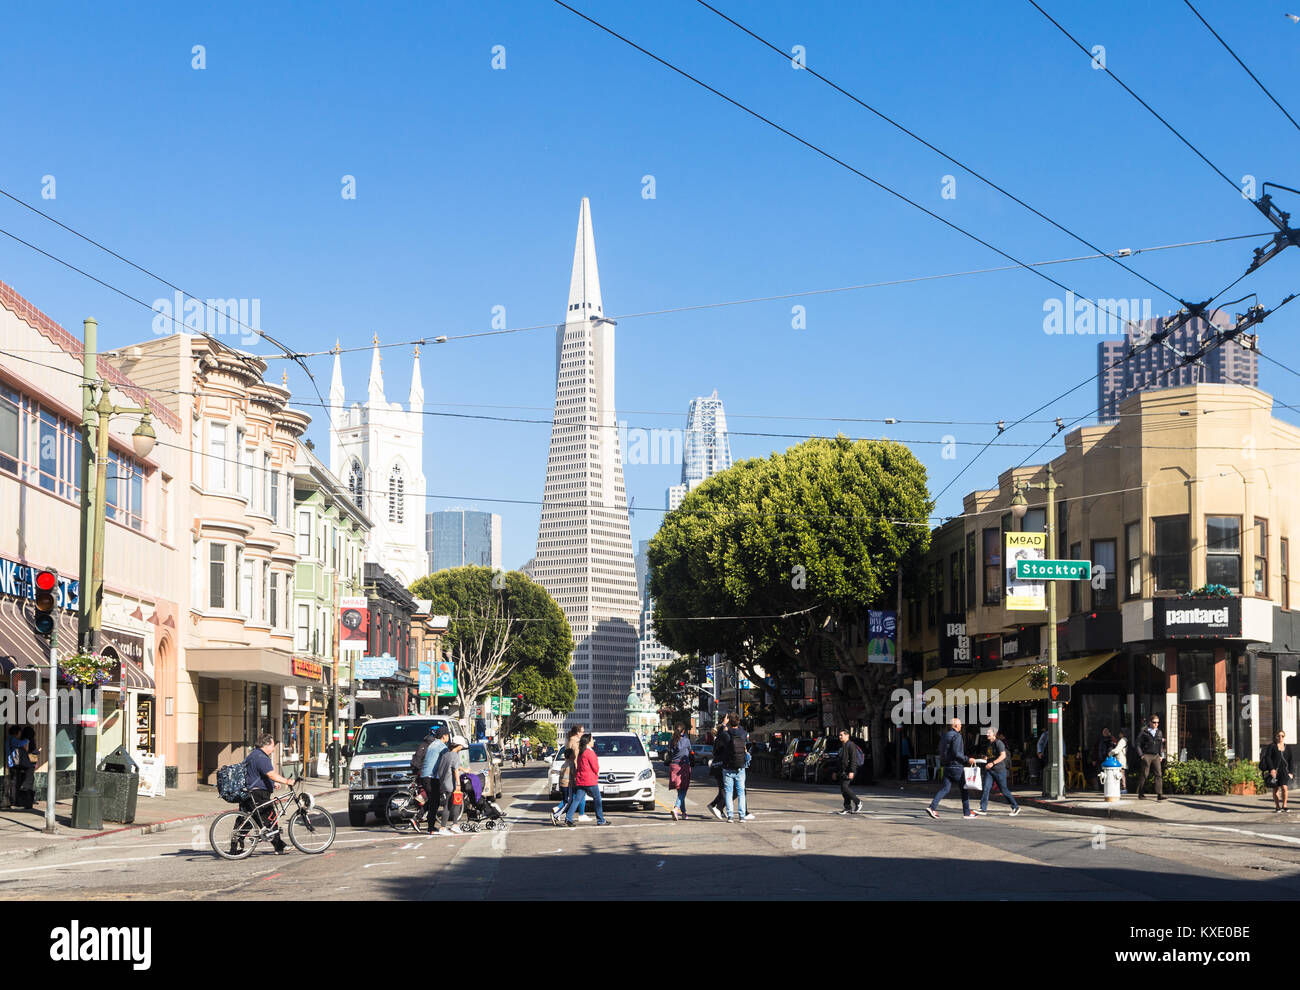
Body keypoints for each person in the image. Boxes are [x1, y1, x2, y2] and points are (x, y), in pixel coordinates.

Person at [233, 733, 293, 855]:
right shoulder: (262, 758)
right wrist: (287, 781)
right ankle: (280, 847)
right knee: (271, 819)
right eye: (272, 745)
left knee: (248, 820)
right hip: (258, 795)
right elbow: (270, 774)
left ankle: (234, 848)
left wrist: (272, 783)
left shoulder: (252, 755)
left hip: (249, 793)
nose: (273, 748)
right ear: (265, 745)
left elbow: (256, 774)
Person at [926, 717, 978, 819]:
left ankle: (932, 807)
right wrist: (968, 759)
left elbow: (941, 751)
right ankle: (967, 813)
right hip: (956, 766)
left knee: (945, 789)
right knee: (964, 789)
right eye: (960, 724)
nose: (961, 726)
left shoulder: (945, 736)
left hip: (946, 766)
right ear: (955, 725)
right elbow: (957, 753)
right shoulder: (957, 736)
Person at [715, 713, 753, 823]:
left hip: (727, 767)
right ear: (738, 722)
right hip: (741, 766)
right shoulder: (743, 733)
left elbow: (718, 735)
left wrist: (724, 724)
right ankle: (742, 816)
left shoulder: (726, 734)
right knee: (741, 792)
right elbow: (740, 730)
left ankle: (730, 816)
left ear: (729, 722)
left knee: (728, 792)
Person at [565, 733, 608, 826]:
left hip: (581, 780)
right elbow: (595, 767)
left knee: (577, 799)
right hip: (590, 780)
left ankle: (568, 818)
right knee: (597, 799)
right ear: (588, 742)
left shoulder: (581, 752)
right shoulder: (590, 752)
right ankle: (601, 820)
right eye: (592, 740)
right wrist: (596, 773)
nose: (593, 741)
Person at [979, 727, 1020, 816]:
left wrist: (992, 763)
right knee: (986, 788)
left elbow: (1003, 756)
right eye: (987, 733)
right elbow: (990, 756)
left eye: (989, 733)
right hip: (990, 770)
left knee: (1004, 790)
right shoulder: (989, 744)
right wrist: (984, 758)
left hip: (999, 770)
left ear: (994, 734)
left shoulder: (999, 743)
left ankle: (1015, 807)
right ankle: (983, 808)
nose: (987, 734)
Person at [433, 736, 470, 834]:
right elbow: (455, 770)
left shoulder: (446, 755)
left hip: (444, 782)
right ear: (458, 745)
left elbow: (453, 766)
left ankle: (450, 825)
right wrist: (458, 784)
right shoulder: (455, 755)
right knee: (453, 804)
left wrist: (464, 769)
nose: (462, 747)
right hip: (451, 783)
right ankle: (448, 826)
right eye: (461, 745)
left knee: (450, 804)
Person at [420, 726, 450, 834]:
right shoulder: (442, 746)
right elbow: (449, 760)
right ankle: (430, 827)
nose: (448, 737)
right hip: (431, 777)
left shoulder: (432, 744)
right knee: (435, 802)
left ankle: (419, 819)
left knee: (433, 800)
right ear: (444, 736)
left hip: (425, 776)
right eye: (447, 735)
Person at [552, 726, 582, 825]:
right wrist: (576, 777)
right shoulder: (571, 764)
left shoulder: (564, 763)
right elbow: (572, 774)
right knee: (569, 802)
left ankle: (563, 816)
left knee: (568, 801)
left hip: (563, 785)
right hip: (568, 785)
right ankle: (556, 814)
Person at [1136, 714, 1166, 800]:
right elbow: (1137, 744)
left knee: (1159, 774)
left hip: (1156, 756)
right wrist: (1141, 755)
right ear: (1150, 722)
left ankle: (1159, 794)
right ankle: (1140, 793)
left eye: (1157, 722)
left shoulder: (1159, 732)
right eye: (1154, 722)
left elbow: (1160, 744)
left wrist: (1161, 755)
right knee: (1145, 774)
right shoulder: (1144, 731)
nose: (1156, 724)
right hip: (1147, 755)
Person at [1261, 730, 1292, 812]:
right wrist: (1271, 769)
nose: (1280, 738)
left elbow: (1290, 760)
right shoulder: (1272, 746)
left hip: (1284, 771)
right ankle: (1277, 806)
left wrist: (1291, 772)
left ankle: (1284, 805)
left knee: (1284, 787)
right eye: (1279, 736)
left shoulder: (1287, 747)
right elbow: (1268, 758)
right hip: (1275, 771)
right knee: (1276, 789)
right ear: (1276, 737)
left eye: (1282, 736)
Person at [835, 729, 864, 815]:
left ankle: (858, 802)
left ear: (847, 736)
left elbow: (853, 759)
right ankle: (847, 807)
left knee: (845, 787)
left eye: (841, 735)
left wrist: (852, 771)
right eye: (839, 735)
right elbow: (840, 760)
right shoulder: (842, 745)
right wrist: (836, 771)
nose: (840, 737)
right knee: (843, 789)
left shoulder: (851, 745)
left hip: (849, 771)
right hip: (842, 770)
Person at [669, 724, 693, 820]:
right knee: (683, 789)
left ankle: (683, 813)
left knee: (680, 790)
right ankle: (676, 808)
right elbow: (690, 751)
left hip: (674, 766)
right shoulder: (686, 740)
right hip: (683, 766)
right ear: (683, 731)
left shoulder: (672, 741)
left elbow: (670, 752)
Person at [1109, 728, 1131, 793]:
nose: (1119, 734)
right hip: (1122, 759)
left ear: (1122, 734)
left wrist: (1110, 753)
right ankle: (1123, 788)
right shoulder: (1125, 740)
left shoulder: (1123, 740)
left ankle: (1123, 788)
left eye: (1120, 733)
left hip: (1121, 760)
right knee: (1122, 773)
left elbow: (1117, 750)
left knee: (1121, 774)